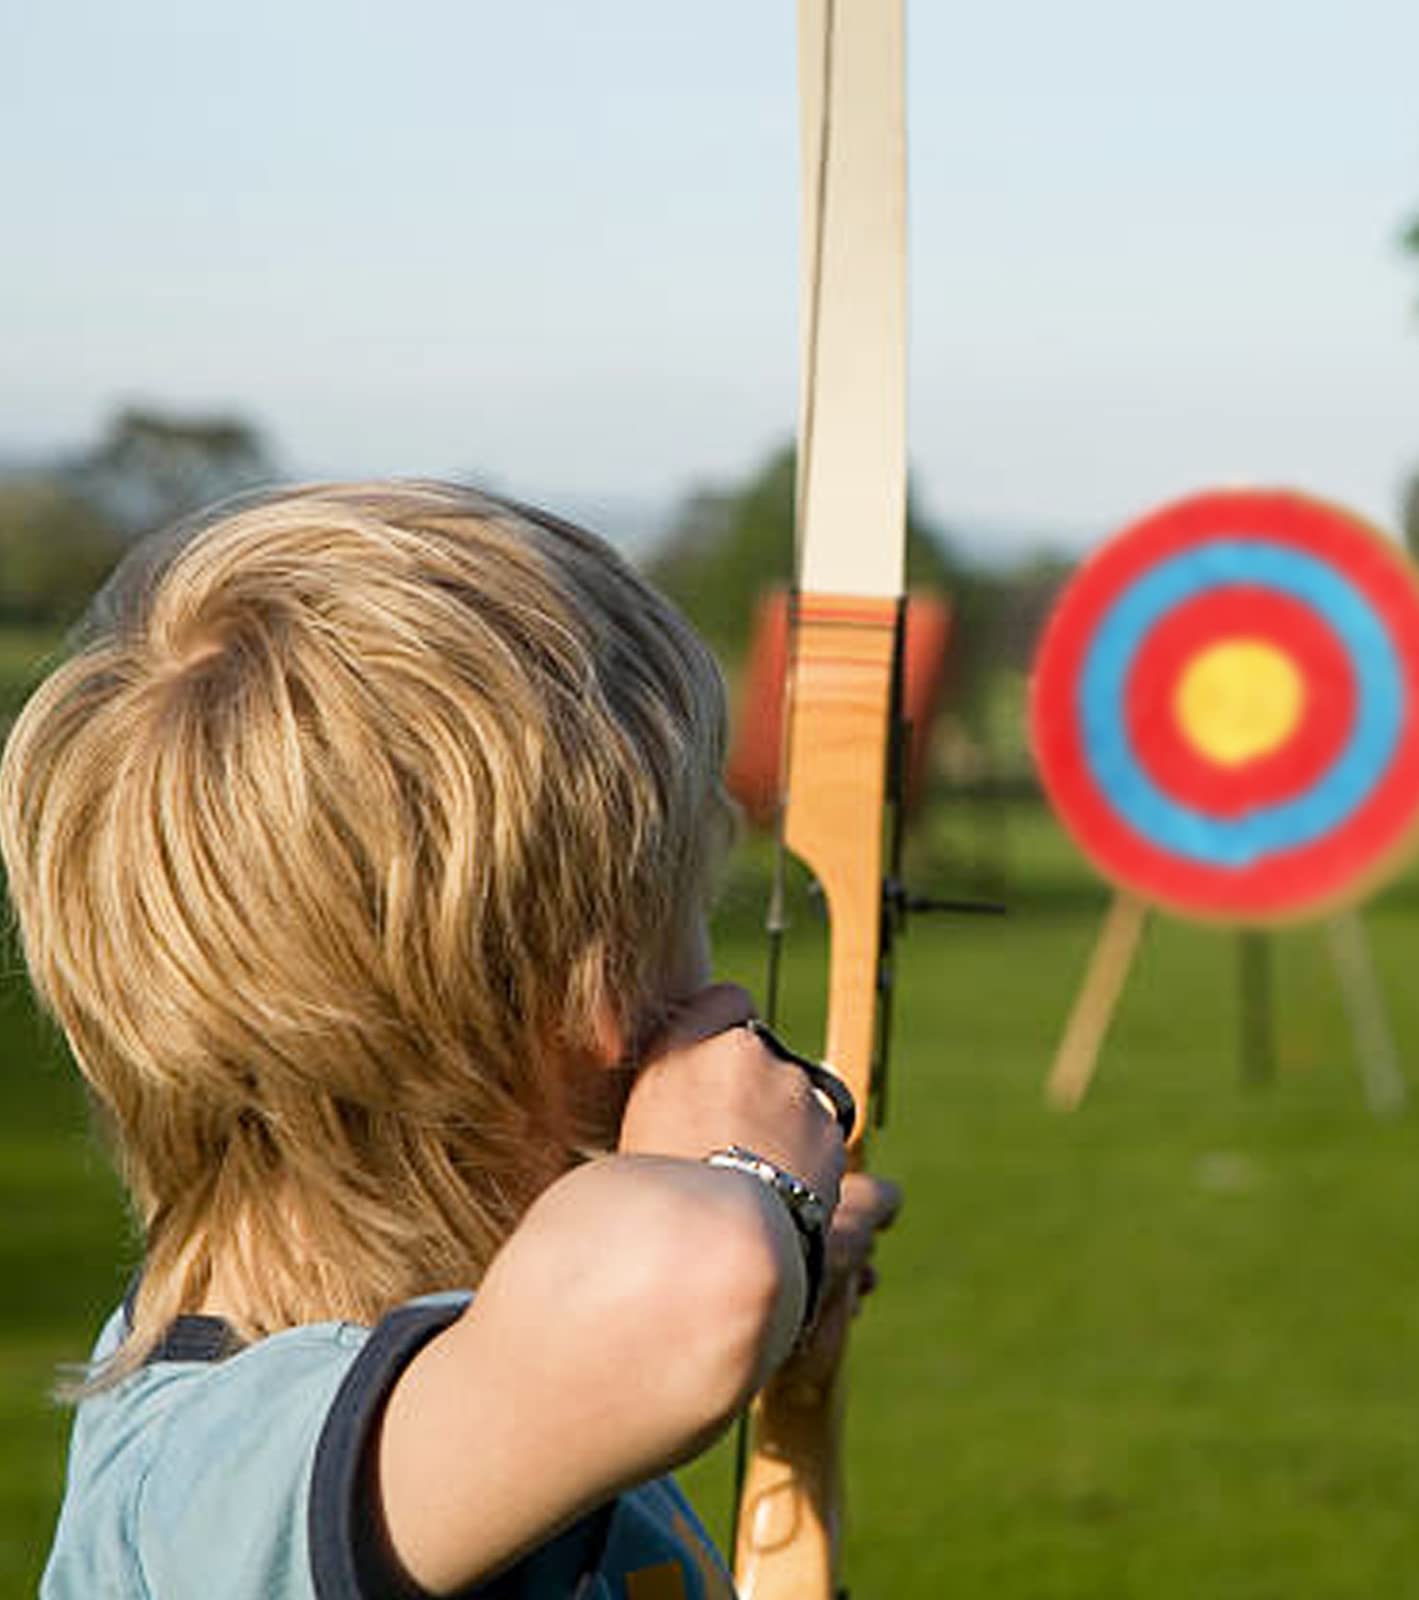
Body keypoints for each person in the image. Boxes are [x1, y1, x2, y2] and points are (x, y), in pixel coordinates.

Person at [1, 481, 901, 1598]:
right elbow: (697, 1285)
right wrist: (754, 1189)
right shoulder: (225, 1479)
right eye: (685, 905)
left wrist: (787, 1268)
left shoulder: (464, 1359)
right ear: (593, 986)